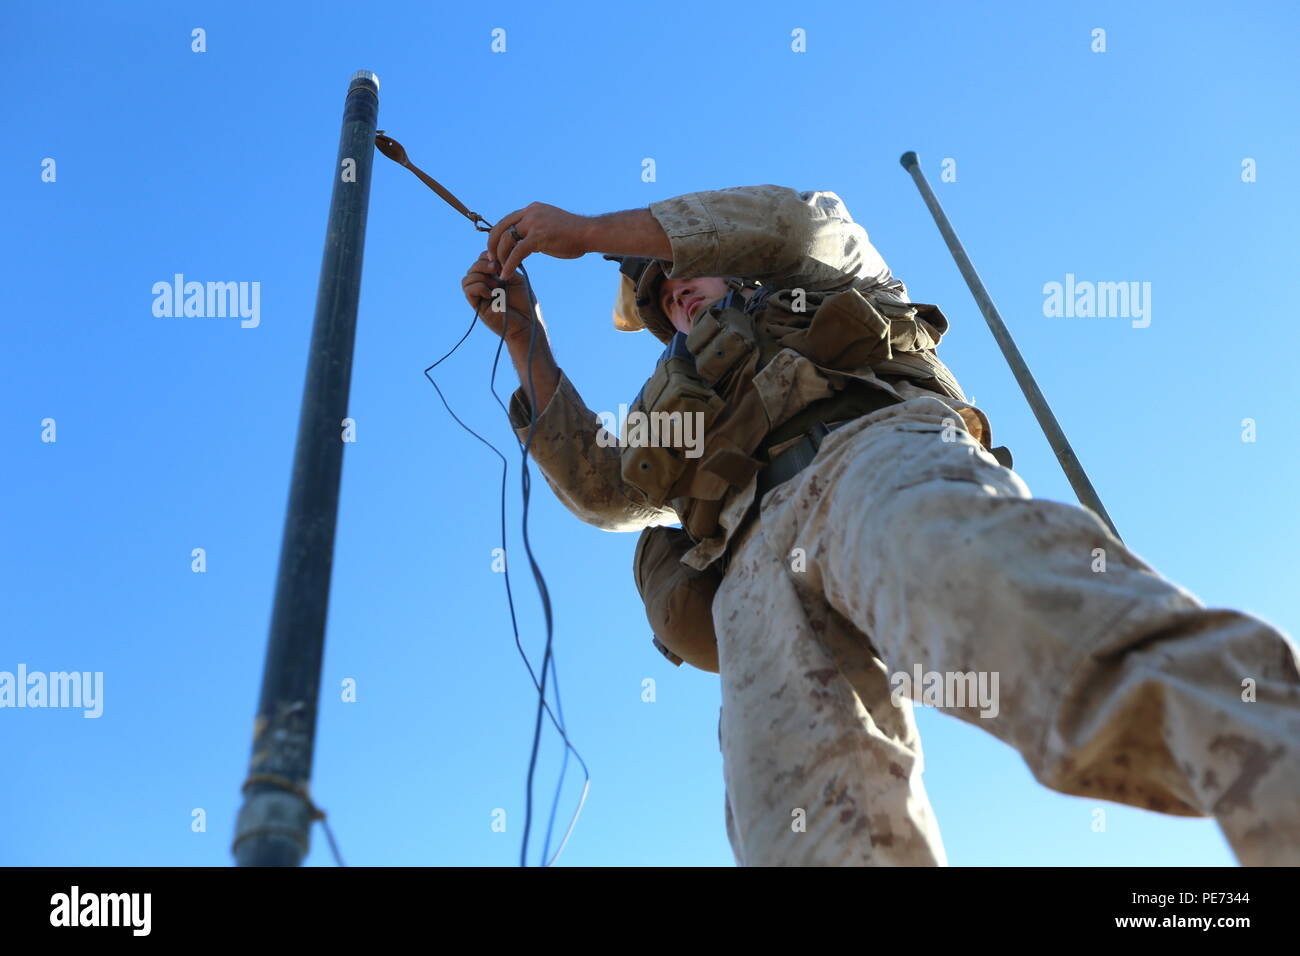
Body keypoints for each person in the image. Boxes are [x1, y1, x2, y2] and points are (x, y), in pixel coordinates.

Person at [460, 184, 1300, 866]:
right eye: (656, 302)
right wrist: (526, 335)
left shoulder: (819, 259)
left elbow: (784, 221)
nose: (668, 293)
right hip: (750, 558)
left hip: (870, 453)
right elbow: (607, 489)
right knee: (799, 817)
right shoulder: (669, 397)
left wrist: (594, 229)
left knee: (1007, 612)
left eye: (675, 271)